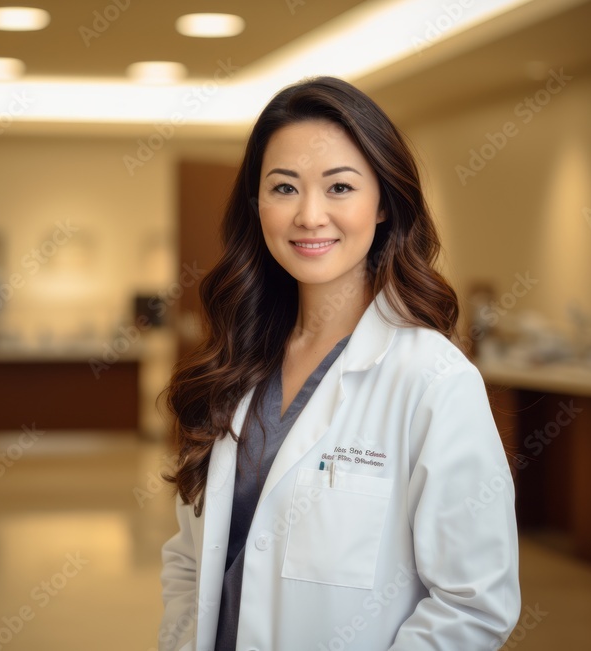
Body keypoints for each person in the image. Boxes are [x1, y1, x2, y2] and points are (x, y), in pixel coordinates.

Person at [158, 76, 520, 651]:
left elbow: (472, 605)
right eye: (283, 188)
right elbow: (188, 559)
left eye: (339, 187)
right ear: (257, 206)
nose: (309, 215)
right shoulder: (235, 364)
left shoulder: (434, 382)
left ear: (382, 206)